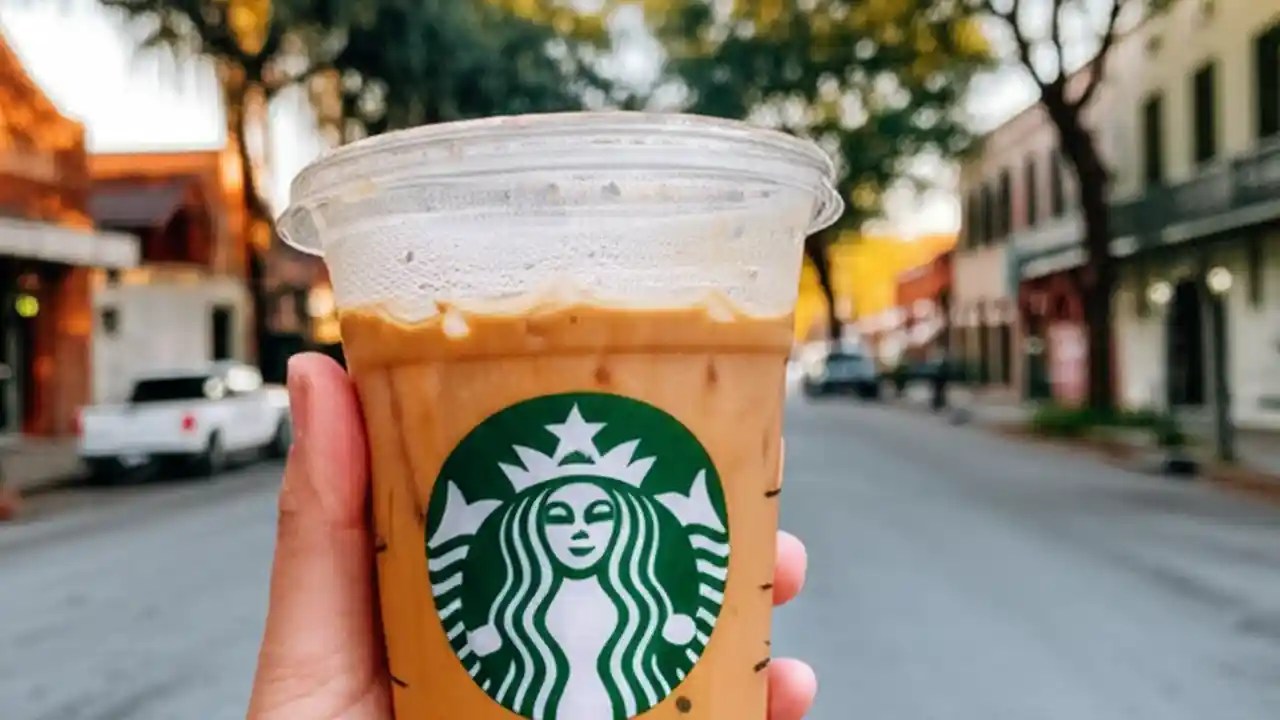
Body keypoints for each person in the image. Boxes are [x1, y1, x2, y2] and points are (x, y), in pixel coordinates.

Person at [247, 354, 817, 720]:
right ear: (529, 529)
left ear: (628, 524)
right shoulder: (509, 625)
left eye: (598, 515)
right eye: (557, 517)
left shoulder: (652, 619)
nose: (579, 532)